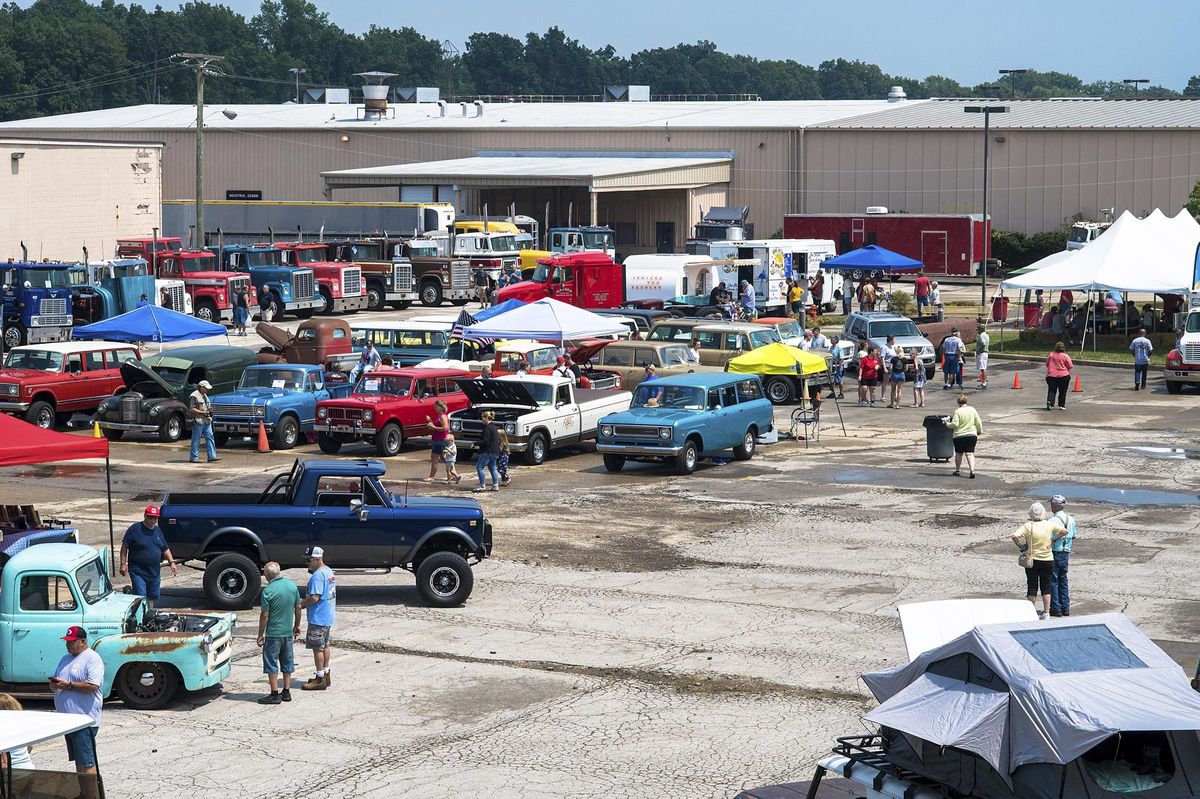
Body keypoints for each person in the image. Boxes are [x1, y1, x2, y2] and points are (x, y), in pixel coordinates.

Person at [51, 626, 104, 799]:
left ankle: (91, 796)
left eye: (72, 642)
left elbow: (93, 685)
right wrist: (54, 685)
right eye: (67, 642)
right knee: (79, 763)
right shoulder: (65, 658)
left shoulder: (92, 658)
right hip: (69, 721)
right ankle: (84, 794)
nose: (68, 645)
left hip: (84, 720)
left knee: (87, 762)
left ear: (83, 641)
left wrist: (68, 685)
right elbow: (58, 679)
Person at [1011, 503, 1065, 620]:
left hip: (1032, 560)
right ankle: (1046, 613)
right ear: (1043, 513)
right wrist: (1052, 539)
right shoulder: (1049, 524)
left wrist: (1021, 546)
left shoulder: (1028, 526)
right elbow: (1064, 531)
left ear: (1031, 513)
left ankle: (1030, 612)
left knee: (1032, 586)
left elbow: (1014, 536)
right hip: (1047, 559)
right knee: (1046, 587)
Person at [257, 561, 301, 705]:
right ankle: (286, 691)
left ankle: (274, 693)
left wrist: (260, 634)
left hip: (273, 634)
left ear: (267, 575)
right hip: (287, 632)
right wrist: (296, 626)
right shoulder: (292, 586)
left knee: (271, 662)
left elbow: (265, 615)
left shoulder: (268, 591)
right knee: (287, 661)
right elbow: (298, 607)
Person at [119, 505, 177, 608]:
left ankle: (148, 614)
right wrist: (123, 564)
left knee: (152, 597)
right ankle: (139, 615)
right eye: (150, 517)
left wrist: (172, 562)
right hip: (138, 571)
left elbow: (165, 548)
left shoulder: (158, 531)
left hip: (154, 572)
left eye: (155, 518)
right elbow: (124, 547)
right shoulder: (135, 529)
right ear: (145, 516)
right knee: (141, 596)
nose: (152, 520)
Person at [300, 546, 335, 691]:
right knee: (325, 645)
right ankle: (326, 673)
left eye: (309, 560)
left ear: (317, 559)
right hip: (328, 616)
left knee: (317, 648)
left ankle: (320, 678)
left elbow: (315, 597)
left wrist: (301, 604)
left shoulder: (317, 576)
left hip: (318, 617)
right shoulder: (328, 571)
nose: (307, 563)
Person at [1049, 494, 1077, 617]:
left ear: (1055, 506)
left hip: (1055, 552)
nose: (1050, 507)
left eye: (1051, 505)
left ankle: (1056, 607)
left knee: (1053, 580)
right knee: (1063, 580)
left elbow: (1048, 537)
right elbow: (1073, 535)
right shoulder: (1071, 519)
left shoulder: (1052, 521)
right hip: (1066, 552)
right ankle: (1065, 607)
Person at [948, 393, 982, 477]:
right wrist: (979, 431)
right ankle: (972, 471)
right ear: (966, 401)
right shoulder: (972, 409)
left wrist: (947, 424)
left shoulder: (958, 411)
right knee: (970, 454)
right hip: (971, 435)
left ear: (958, 402)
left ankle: (957, 470)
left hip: (959, 436)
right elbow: (978, 422)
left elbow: (955, 424)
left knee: (959, 454)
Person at [188, 379, 219, 463]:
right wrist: (203, 413)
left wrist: (209, 410)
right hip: (198, 421)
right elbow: (191, 409)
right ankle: (193, 457)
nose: (207, 389)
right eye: (206, 388)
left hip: (206, 420)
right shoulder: (194, 396)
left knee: (210, 436)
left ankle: (212, 456)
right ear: (201, 387)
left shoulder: (205, 395)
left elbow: (207, 406)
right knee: (196, 439)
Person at [0, 693, 34, 769]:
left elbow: (3, 763)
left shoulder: (2, 730)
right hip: (28, 768)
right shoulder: (21, 726)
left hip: (11, 772)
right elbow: (30, 747)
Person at [423, 399, 451, 482]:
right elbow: (436, 424)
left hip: (440, 439)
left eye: (436, 407)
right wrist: (430, 421)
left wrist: (433, 427)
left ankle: (431, 476)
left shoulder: (442, 416)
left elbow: (445, 428)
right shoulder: (439, 415)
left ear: (441, 407)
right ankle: (452, 474)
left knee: (434, 458)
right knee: (444, 458)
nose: (434, 408)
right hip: (438, 439)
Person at [475, 410, 501, 491]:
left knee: (479, 467)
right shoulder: (494, 426)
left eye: (482, 417)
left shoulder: (487, 428)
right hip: (495, 451)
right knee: (492, 468)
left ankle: (482, 485)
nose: (481, 419)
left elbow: (485, 441)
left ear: (486, 418)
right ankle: (495, 485)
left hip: (488, 451)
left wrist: (476, 443)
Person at [1045, 341, 1074, 410]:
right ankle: (1061, 405)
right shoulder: (1065, 356)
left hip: (1051, 376)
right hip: (1064, 376)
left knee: (1052, 390)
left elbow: (1047, 364)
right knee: (1062, 391)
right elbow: (1070, 366)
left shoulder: (1051, 355)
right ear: (1063, 348)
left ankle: (1050, 402)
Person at [1130, 327, 1153, 391]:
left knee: (1137, 372)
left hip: (1138, 360)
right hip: (1145, 360)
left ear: (1139, 333)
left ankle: (1137, 382)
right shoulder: (1147, 341)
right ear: (1145, 333)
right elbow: (1151, 350)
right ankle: (1143, 385)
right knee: (1144, 373)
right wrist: (1148, 356)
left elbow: (1131, 349)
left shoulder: (1135, 341)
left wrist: (1134, 355)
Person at [827, 335, 845, 399]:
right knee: (832, 380)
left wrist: (839, 365)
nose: (831, 341)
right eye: (831, 339)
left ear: (836, 341)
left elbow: (842, 358)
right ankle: (832, 393)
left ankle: (841, 393)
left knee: (839, 379)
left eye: (833, 340)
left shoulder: (839, 348)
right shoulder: (831, 347)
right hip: (832, 365)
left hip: (838, 365)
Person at [975, 322, 991, 390]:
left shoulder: (982, 335)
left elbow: (983, 344)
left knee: (983, 368)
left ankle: (984, 383)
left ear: (980, 330)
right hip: (984, 353)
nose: (977, 331)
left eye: (978, 329)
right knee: (983, 368)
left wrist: (979, 351)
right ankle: (983, 382)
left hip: (982, 353)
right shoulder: (986, 334)